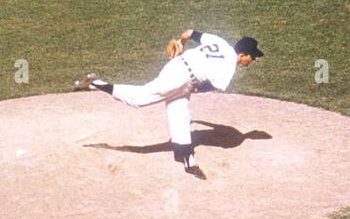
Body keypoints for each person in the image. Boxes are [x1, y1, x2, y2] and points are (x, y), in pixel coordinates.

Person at [73, 29, 263, 172]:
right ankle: (97, 83)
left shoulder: (220, 42)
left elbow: (190, 32)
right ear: (243, 54)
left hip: (178, 67)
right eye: (252, 58)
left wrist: (180, 43)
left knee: (179, 112)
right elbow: (214, 85)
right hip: (182, 78)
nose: (251, 61)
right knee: (141, 98)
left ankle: (188, 158)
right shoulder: (230, 63)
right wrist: (195, 87)